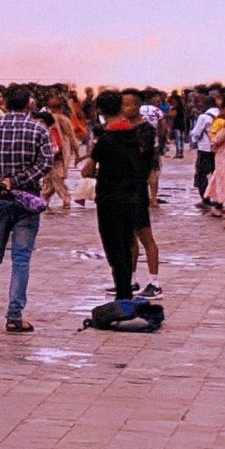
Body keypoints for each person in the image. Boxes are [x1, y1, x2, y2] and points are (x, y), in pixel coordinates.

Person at [0, 85, 57, 332]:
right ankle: (14, 316)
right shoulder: (38, 131)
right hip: (27, 197)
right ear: (28, 104)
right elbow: (46, 161)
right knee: (21, 258)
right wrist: (17, 180)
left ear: (4, 103)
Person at [88, 91, 155, 304]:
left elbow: (86, 171)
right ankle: (126, 290)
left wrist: (94, 152)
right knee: (127, 243)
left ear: (100, 111)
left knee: (114, 247)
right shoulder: (136, 135)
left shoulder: (105, 140)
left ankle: (123, 294)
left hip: (110, 198)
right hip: (133, 194)